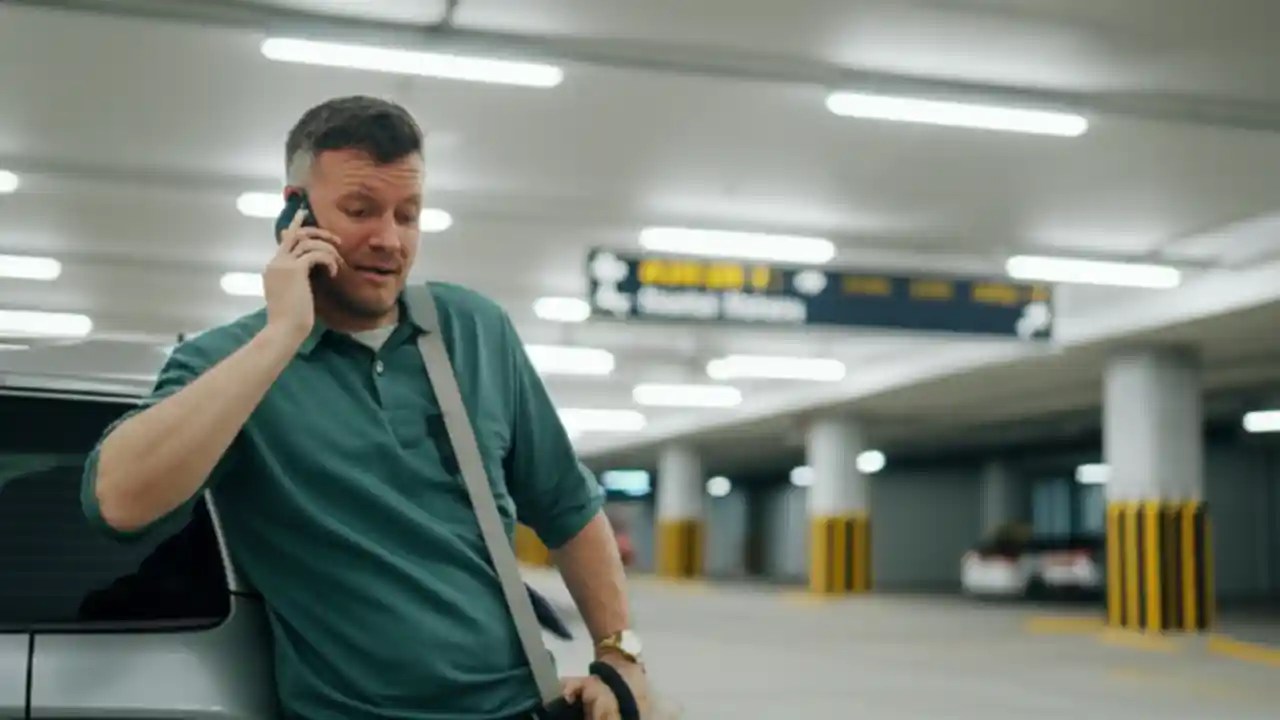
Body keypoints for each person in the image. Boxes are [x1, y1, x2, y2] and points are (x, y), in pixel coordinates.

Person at [81, 95, 650, 720]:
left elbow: (568, 506)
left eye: (408, 215)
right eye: (360, 210)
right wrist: (281, 336)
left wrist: (618, 654)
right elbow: (119, 503)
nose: (389, 239)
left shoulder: (474, 330)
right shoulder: (230, 363)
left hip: (515, 706)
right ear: (294, 211)